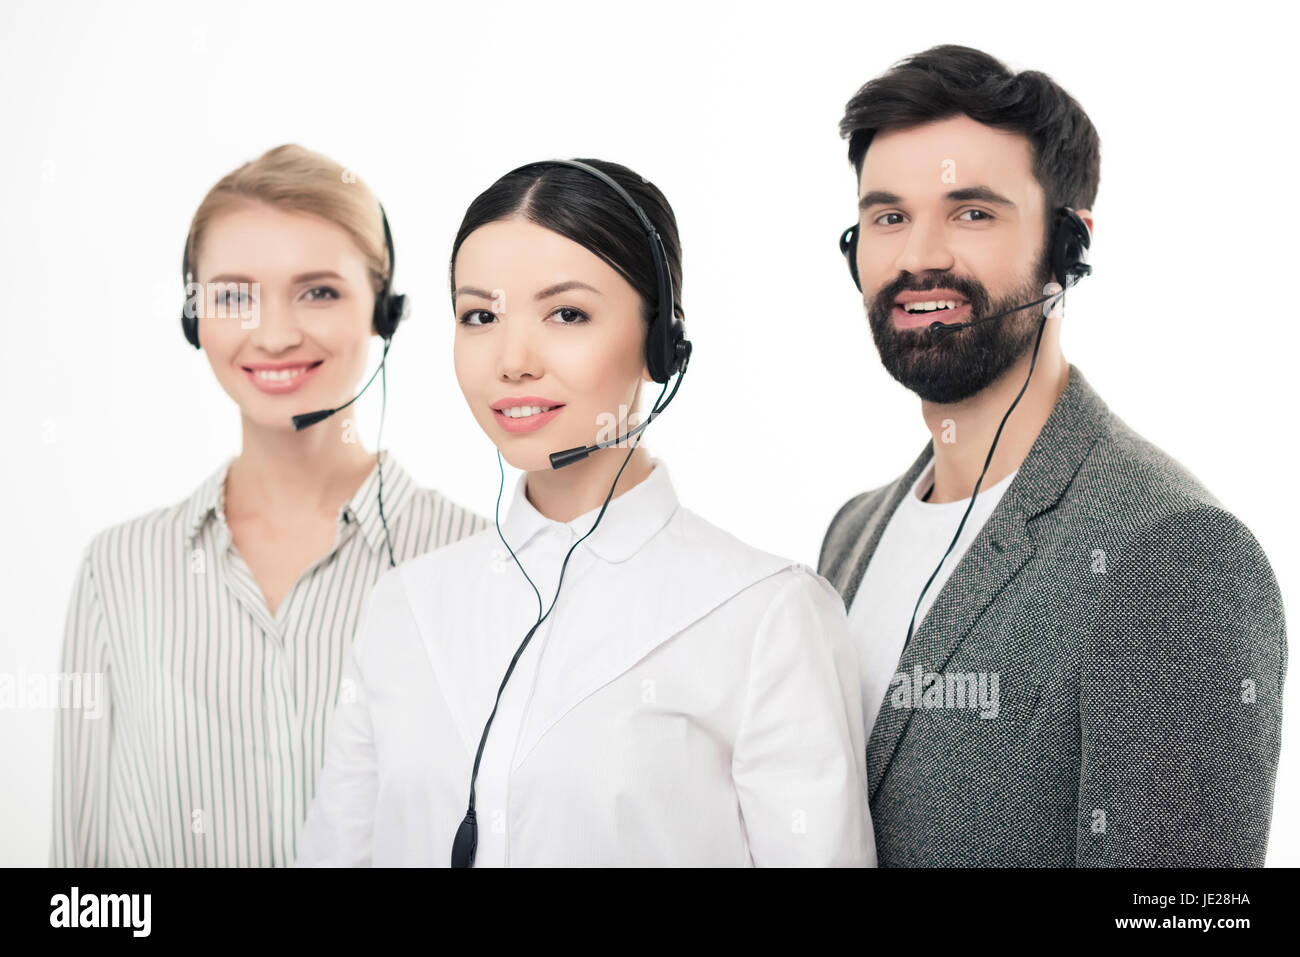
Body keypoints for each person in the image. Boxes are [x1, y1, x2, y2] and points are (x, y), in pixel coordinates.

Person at [298, 157, 874, 867]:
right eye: (480, 315)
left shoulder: (767, 617)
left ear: (662, 342)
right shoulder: (404, 607)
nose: (512, 360)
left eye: (566, 313)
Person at [819, 45, 1286, 866]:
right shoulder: (852, 533)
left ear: (1069, 244)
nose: (920, 254)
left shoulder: (1172, 551)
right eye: (889, 215)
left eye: (973, 212)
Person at [51, 144, 487, 866]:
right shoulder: (119, 570)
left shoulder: (478, 562)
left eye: (318, 291)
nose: (276, 333)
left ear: (384, 311)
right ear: (196, 319)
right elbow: (84, 870)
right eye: (233, 295)